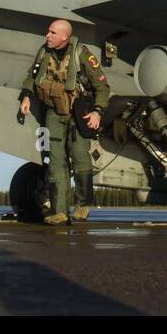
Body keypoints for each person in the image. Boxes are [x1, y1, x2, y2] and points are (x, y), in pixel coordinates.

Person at [18, 19, 110, 224]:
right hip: (54, 113)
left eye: (52, 33)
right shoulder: (44, 53)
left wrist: (97, 112)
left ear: (64, 37)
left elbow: (102, 87)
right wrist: (26, 96)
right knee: (56, 161)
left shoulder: (82, 55)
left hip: (78, 112)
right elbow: (32, 77)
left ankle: (83, 205)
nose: (47, 36)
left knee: (80, 157)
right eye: (48, 32)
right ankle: (59, 212)